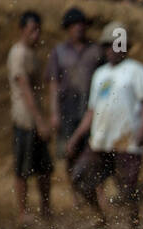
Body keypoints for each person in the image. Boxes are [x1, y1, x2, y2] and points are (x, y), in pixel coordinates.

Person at [65, 21, 143, 229]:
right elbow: (92, 111)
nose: (111, 49)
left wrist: (141, 130)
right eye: (108, 45)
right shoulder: (100, 75)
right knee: (79, 178)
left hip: (126, 142)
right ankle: (101, 216)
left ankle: (133, 226)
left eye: (116, 45)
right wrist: (77, 136)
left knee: (127, 191)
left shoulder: (136, 70)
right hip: (100, 142)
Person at [8, 10, 53, 225]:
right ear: (22, 30)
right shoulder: (19, 54)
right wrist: (40, 120)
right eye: (32, 30)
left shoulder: (31, 54)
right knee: (23, 167)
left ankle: (45, 209)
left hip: (33, 118)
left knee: (44, 167)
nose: (36, 34)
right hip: (25, 119)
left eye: (38, 30)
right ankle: (22, 212)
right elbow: (25, 90)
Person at [46, 8, 103, 162]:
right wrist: (54, 112)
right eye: (74, 24)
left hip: (90, 107)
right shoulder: (58, 52)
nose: (79, 27)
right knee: (68, 152)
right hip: (67, 108)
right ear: (68, 28)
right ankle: (74, 185)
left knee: (92, 152)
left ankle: (91, 185)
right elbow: (53, 83)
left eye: (81, 24)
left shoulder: (96, 51)